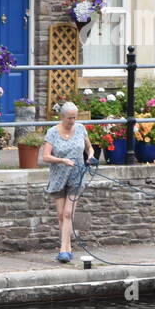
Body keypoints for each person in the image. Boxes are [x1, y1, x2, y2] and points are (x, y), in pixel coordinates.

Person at [39, 101, 95, 264]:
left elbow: (89, 148)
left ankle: (63, 251)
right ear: (62, 117)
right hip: (58, 178)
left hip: (76, 176)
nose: (72, 121)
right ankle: (68, 247)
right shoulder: (52, 132)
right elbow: (45, 157)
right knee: (61, 215)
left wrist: (90, 156)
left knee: (68, 214)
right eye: (70, 118)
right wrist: (62, 160)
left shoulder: (80, 129)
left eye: (75, 118)